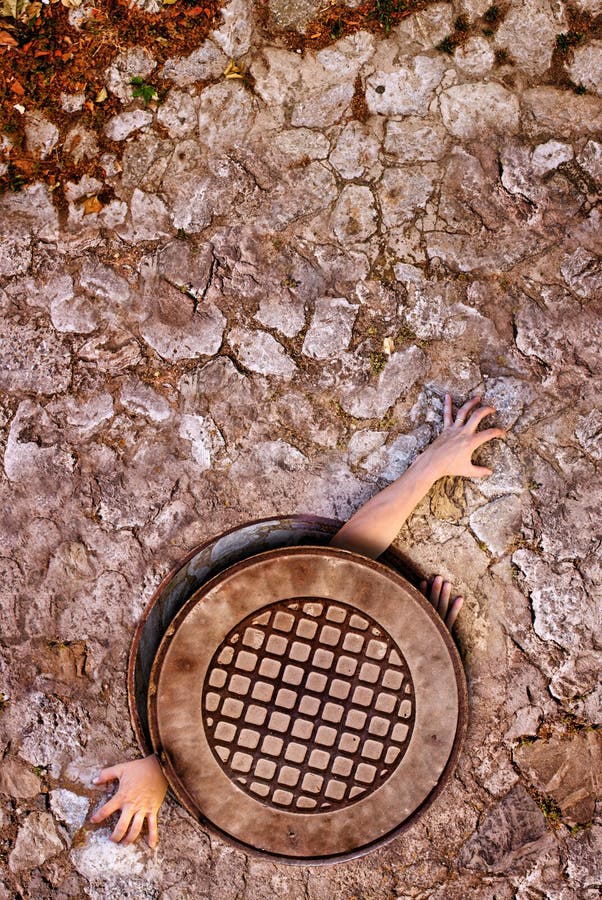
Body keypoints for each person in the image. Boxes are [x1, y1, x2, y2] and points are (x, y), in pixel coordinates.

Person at [89, 393, 505, 848]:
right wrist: (421, 645)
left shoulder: (311, 666)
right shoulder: (271, 682)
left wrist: (420, 644)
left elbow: (340, 568)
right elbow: (340, 568)